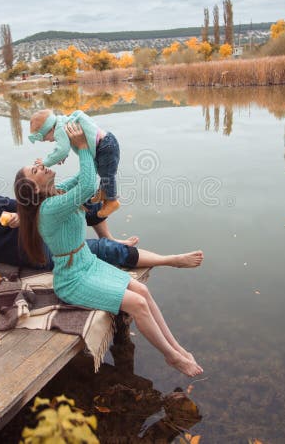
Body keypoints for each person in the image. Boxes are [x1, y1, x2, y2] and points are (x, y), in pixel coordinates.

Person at [15, 122, 203, 377]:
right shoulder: (48, 208)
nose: (41, 165)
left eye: (38, 164)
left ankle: (177, 347)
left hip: (87, 263)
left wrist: (77, 147)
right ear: (34, 188)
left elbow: (89, 182)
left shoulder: (57, 193)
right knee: (137, 303)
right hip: (72, 279)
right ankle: (172, 358)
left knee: (142, 290)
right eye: (36, 169)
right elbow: (87, 186)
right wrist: (81, 147)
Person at [0, 181, 203, 287]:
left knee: (80, 206)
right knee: (100, 252)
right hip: (38, 253)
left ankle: (107, 235)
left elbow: (29, 206)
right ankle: (170, 259)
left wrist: (22, 217)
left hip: (42, 231)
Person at [29, 108, 121, 218]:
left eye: (45, 138)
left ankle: (112, 201)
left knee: (107, 175)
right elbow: (65, 146)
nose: (48, 141)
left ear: (51, 129)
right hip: (106, 143)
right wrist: (64, 155)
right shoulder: (63, 122)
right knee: (103, 172)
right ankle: (104, 193)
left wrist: (45, 162)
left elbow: (61, 150)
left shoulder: (59, 130)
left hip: (105, 146)